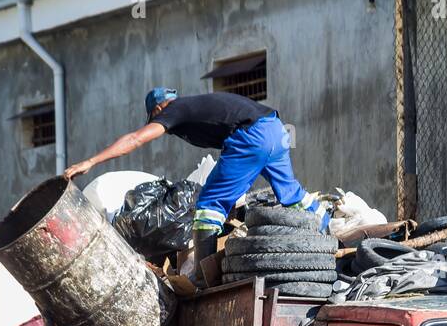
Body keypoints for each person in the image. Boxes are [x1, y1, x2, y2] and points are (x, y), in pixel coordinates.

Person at [63, 88, 326, 264]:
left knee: (208, 206)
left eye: (156, 119)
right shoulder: (194, 106)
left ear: (158, 109)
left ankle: (203, 278)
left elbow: (135, 139)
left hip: (251, 136)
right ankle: (329, 229)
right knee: (293, 196)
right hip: (274, 128)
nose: (164, 127)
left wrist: (91, 161)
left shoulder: (173, 110)